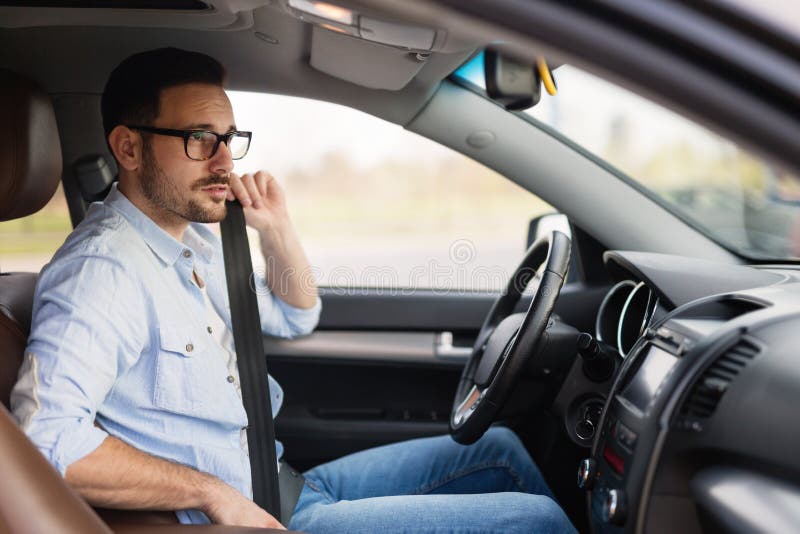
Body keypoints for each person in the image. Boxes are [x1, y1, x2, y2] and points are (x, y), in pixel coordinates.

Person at [11, 47, 575, 533]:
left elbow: (295, 314)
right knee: (538, 524)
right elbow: (46, 441)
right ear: (129, 149)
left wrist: (276, 227)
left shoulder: (190, 245)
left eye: (230, 139)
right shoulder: (102, 272)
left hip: (285, 485)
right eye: (201, 139)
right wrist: (209, 492)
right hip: (252, 518)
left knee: (498, 450)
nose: (226, 161)